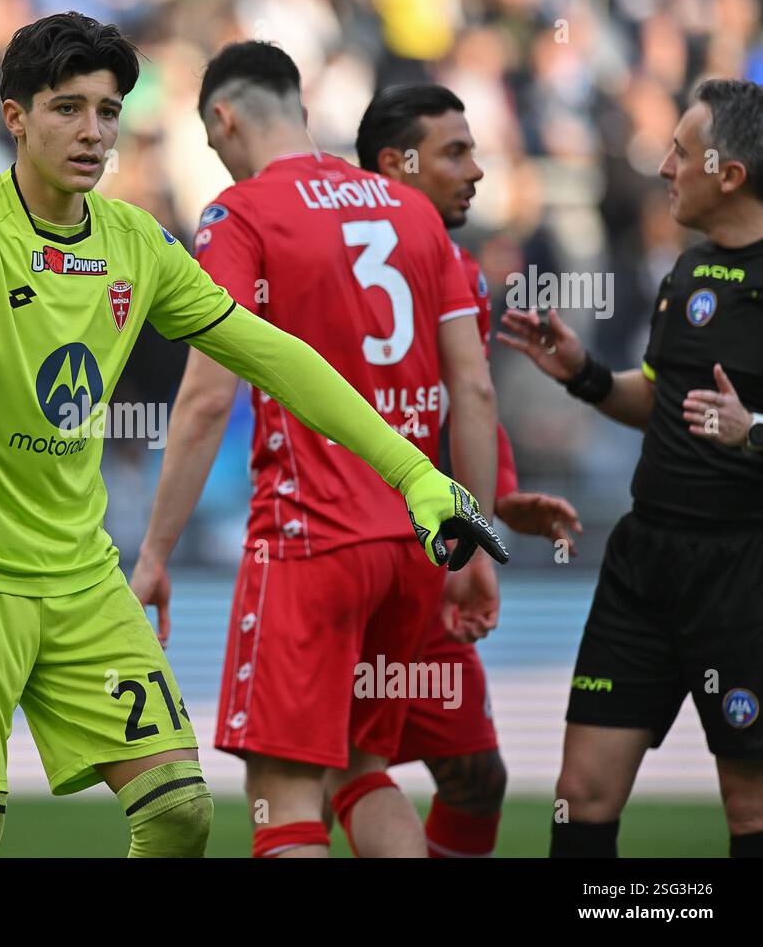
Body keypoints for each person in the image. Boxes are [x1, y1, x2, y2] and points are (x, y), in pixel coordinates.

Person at [0, 13, 507, 859]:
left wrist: (416, 476)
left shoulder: (138, 243)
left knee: (179, 812)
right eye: (67, 109)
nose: (94, 132)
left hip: (78, 575)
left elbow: (276, 357)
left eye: (107, 110)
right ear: (14, 118)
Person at [130, 42, 505, 858]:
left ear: (222, 119)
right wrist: (473, 543)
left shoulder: (242, 215)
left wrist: (155, 550)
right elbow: (472, 391)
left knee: (282, 793)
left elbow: (205, 396)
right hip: (414, 543)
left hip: (311, 537)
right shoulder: (409, 212)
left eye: (210, 140)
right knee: (363, 770)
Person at [499, 79, 763, 858]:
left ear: (730, 173)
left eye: (681, 152)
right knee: (579, 796)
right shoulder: (685, 275)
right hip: (646, 565)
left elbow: (739, 427)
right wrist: (583, 373)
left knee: (749, 809)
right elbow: (656, 400)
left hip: (742, 571)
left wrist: (752, 434)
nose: (662, 166)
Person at [354, 84, 581, 857]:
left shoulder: (457, 266)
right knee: (337, 773)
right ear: (396, 163)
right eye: (456, 153)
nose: (477, 171)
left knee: (476, 777)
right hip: (357, 555)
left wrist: (500, 498)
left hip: (438, 559)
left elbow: (466, 406)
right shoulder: (340, 264)